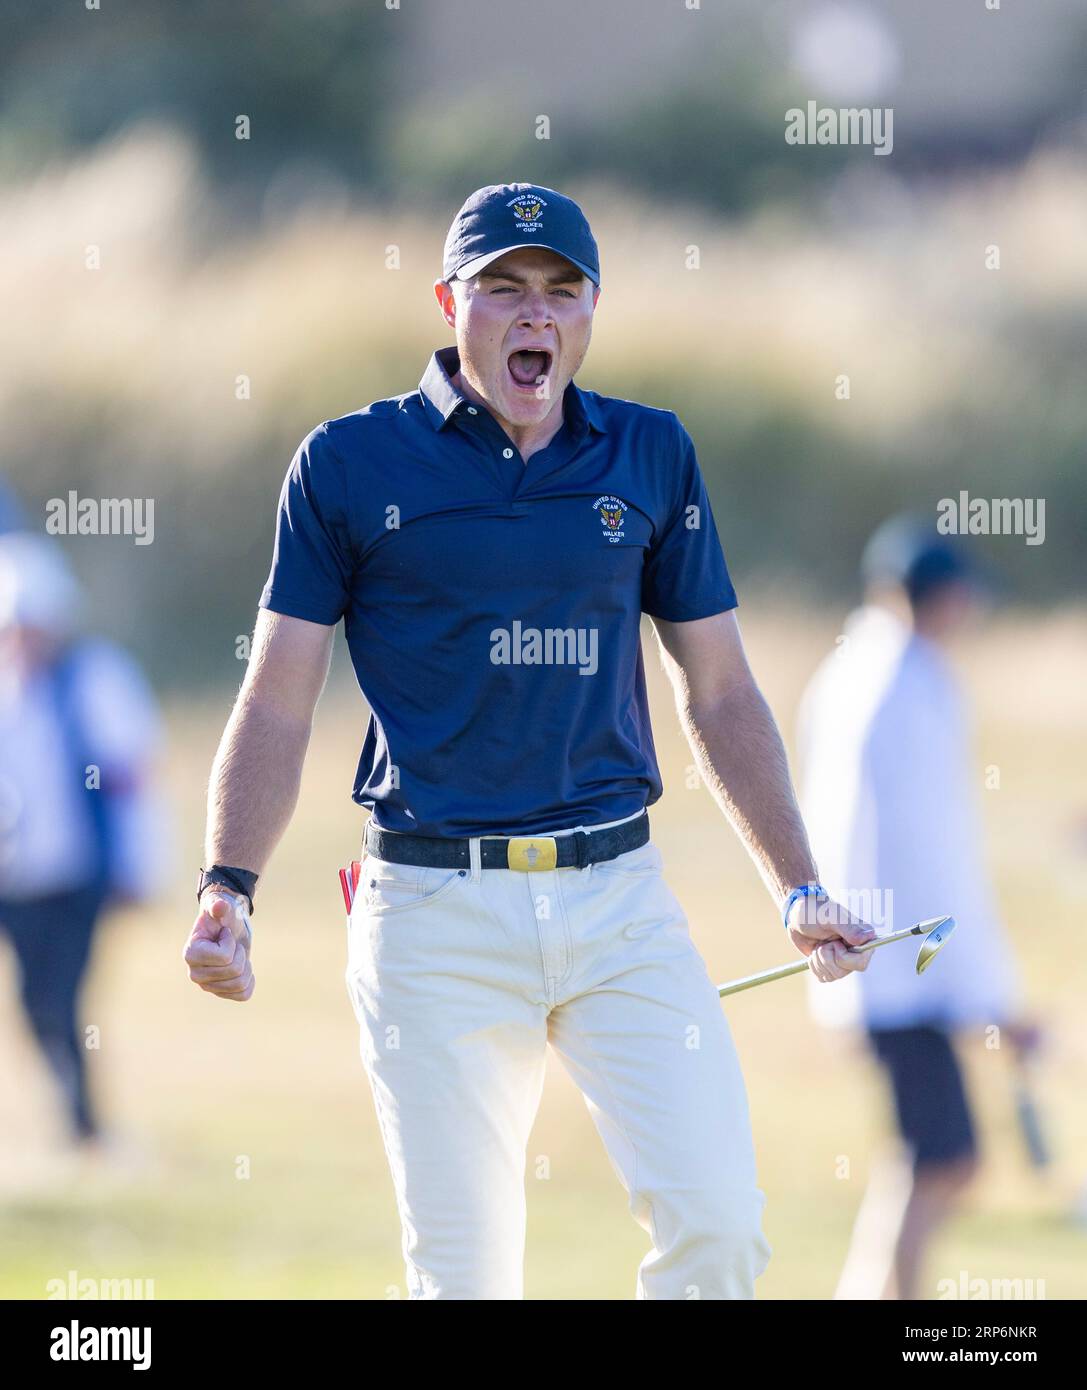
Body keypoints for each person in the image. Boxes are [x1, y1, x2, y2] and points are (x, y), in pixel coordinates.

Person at [183, 182, 877, 1300]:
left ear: (591, 309)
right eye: (503, 290)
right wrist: (229, 885)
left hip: (621, 901)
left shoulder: (650, 453)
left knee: (718, 1230)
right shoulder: (349, 463)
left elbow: (721, 691)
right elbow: (275, 701)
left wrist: (797, 889)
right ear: (450, 302)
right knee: (466, 1280)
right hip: (431, 913)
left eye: (560, 292)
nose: (533, 316)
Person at [796, 514, 1038, 1300]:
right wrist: (991, 999)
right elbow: (934, 857)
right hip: (902, 964)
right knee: (942, 1159)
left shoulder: (850, 673)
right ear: (925, 599)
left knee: (923, 1158)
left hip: (878, 960)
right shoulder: (908, 688)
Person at [0, 533, 168, 1165]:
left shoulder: (95, 679)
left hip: (76, 880)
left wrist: (137, 868)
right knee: (32, 1004)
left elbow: (130, 785)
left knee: (60, 1000)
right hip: (13, 881)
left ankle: (85, 1131)